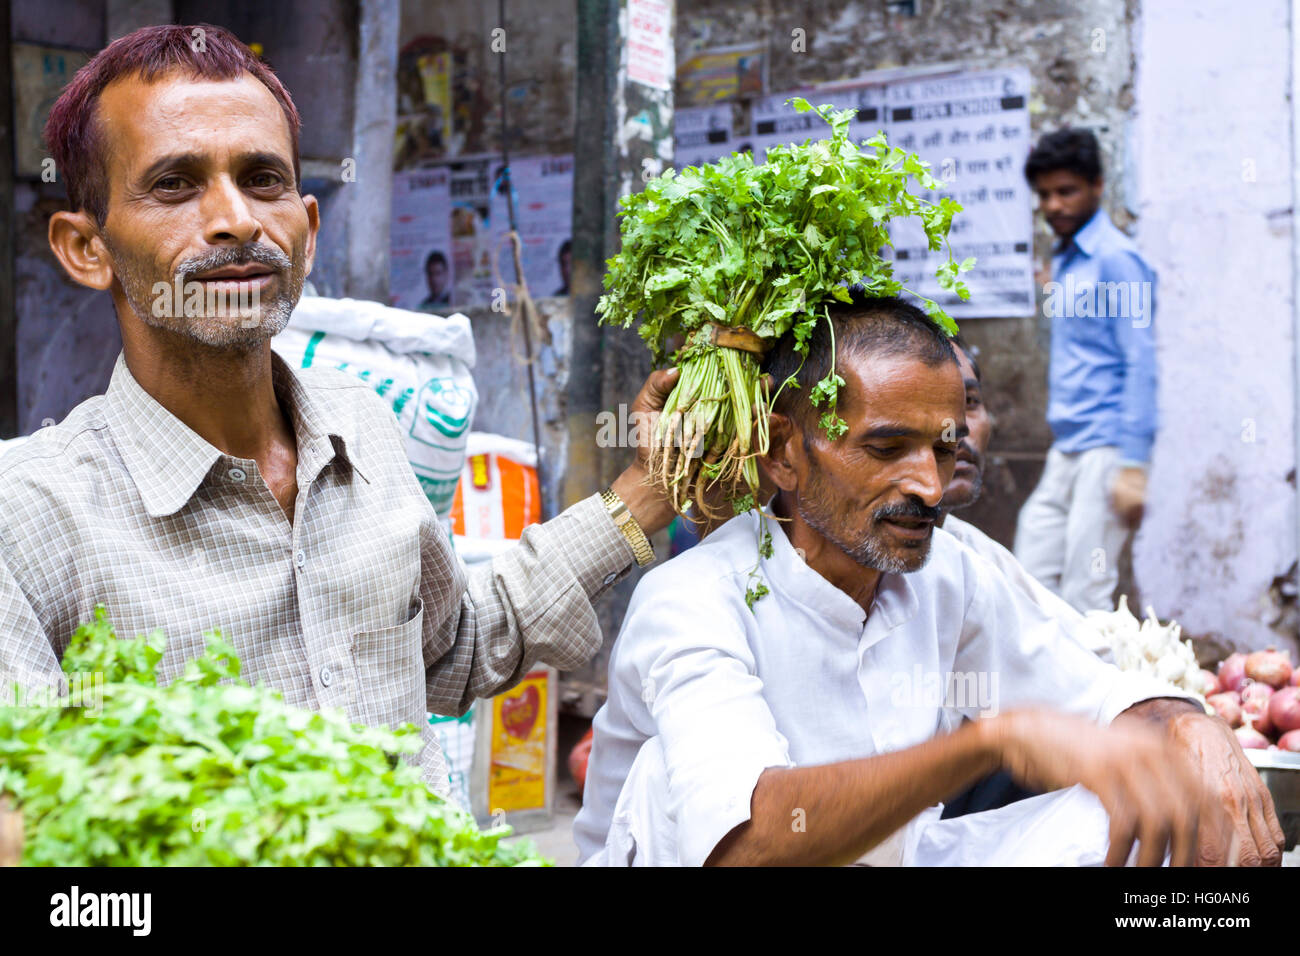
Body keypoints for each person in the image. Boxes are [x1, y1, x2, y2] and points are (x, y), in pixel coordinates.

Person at [0, 24, 678, 796]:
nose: (237, 220)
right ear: (86, 248)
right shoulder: (26, 521)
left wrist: (647, 490)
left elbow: (450, 655)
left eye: (263, 180)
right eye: (175, 185)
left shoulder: (362, 428)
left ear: (309, 230)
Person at [574, 295, 1284, 867]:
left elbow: (1100, 694)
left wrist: (1189, 723)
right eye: (886, 448)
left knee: (1164, 798)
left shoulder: (947, 566)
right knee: (671, 781)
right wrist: (990, 743)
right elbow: (745, 846)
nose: (929, 485)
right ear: (786, 452)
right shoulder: (694, 598)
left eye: (944, 449)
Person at [1014, 127, 1157, 612]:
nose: (1053, 205)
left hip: (1107, 448)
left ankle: (1108, 691)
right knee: (1028, 582)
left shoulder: (1118, 260)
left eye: (1066, 191)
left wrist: (1133, 466)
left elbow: (1141, 361)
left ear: (1098, 186)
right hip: (1067, 448)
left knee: (1085, 595)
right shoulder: (1066, 257)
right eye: (1045, 195)